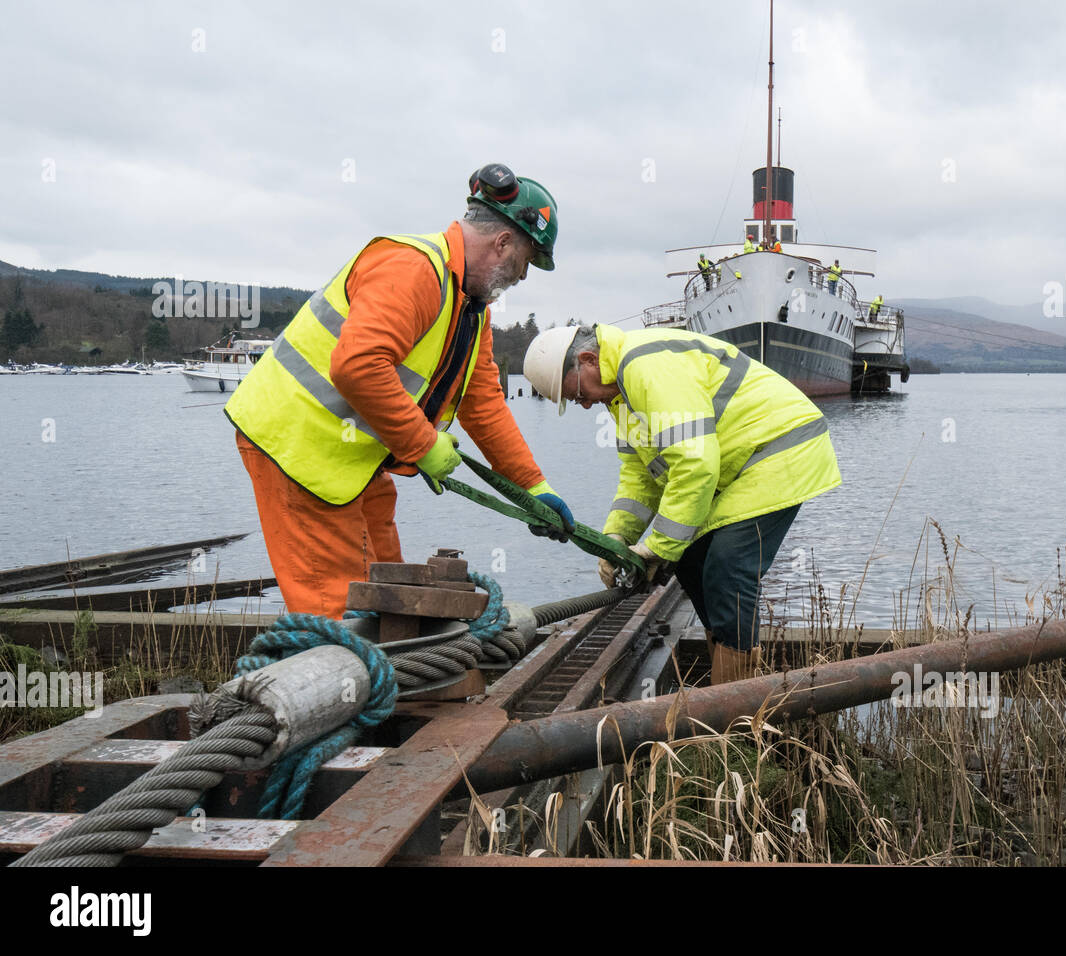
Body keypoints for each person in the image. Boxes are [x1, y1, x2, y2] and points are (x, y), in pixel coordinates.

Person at [225, 163, 574, 618]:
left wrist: (532, 488)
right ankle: (339, 682)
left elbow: (482, 402)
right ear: (503, 242)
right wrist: (424, 444)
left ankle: (389, 681)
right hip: (296, 450)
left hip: (353, 462)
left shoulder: (471, 308)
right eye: (525, 263)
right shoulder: (413, 267)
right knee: (338, 615)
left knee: (387, 602)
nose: (522, 277)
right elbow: (358, 367)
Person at [522, 324, 841, 685]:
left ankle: (739, 710)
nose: (583, 404)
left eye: (577, 393)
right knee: (690, 560)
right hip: (739, 468)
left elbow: (694, 465)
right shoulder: (621, 397)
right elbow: (640, 480)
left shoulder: (647, 365)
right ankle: (727, 674)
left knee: (728, 567)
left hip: (779, 451)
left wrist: (656, 549)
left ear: (588, 359)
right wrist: (614, 540)